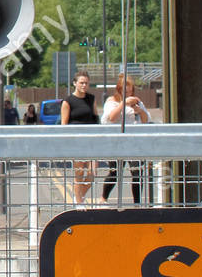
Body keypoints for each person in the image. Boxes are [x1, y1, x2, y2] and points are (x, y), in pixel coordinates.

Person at [100, 73, 150, 204]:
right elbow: (111, 117)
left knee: (137, 173)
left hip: (135, 142)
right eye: (124, 90)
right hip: (116, 142)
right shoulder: (112, 101)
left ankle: (137, 203)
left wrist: (140, 111)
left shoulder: (137, 101)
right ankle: (103, 198)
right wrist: (123, 103)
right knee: (115, 172)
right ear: (119, 89)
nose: (128, 93)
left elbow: (146, 120)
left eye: (130, 90)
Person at [60, 71, 98, 206]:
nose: (84, 85)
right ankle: (79, 202)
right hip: (76, 141)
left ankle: (79, 195)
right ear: (75, 83)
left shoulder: (91, 98)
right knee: (79, 173)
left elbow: (95, 117)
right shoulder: (68, 101)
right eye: (81, 82)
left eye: (86, 83)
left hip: (91, 140)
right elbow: (64, 124)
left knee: (93, 172)